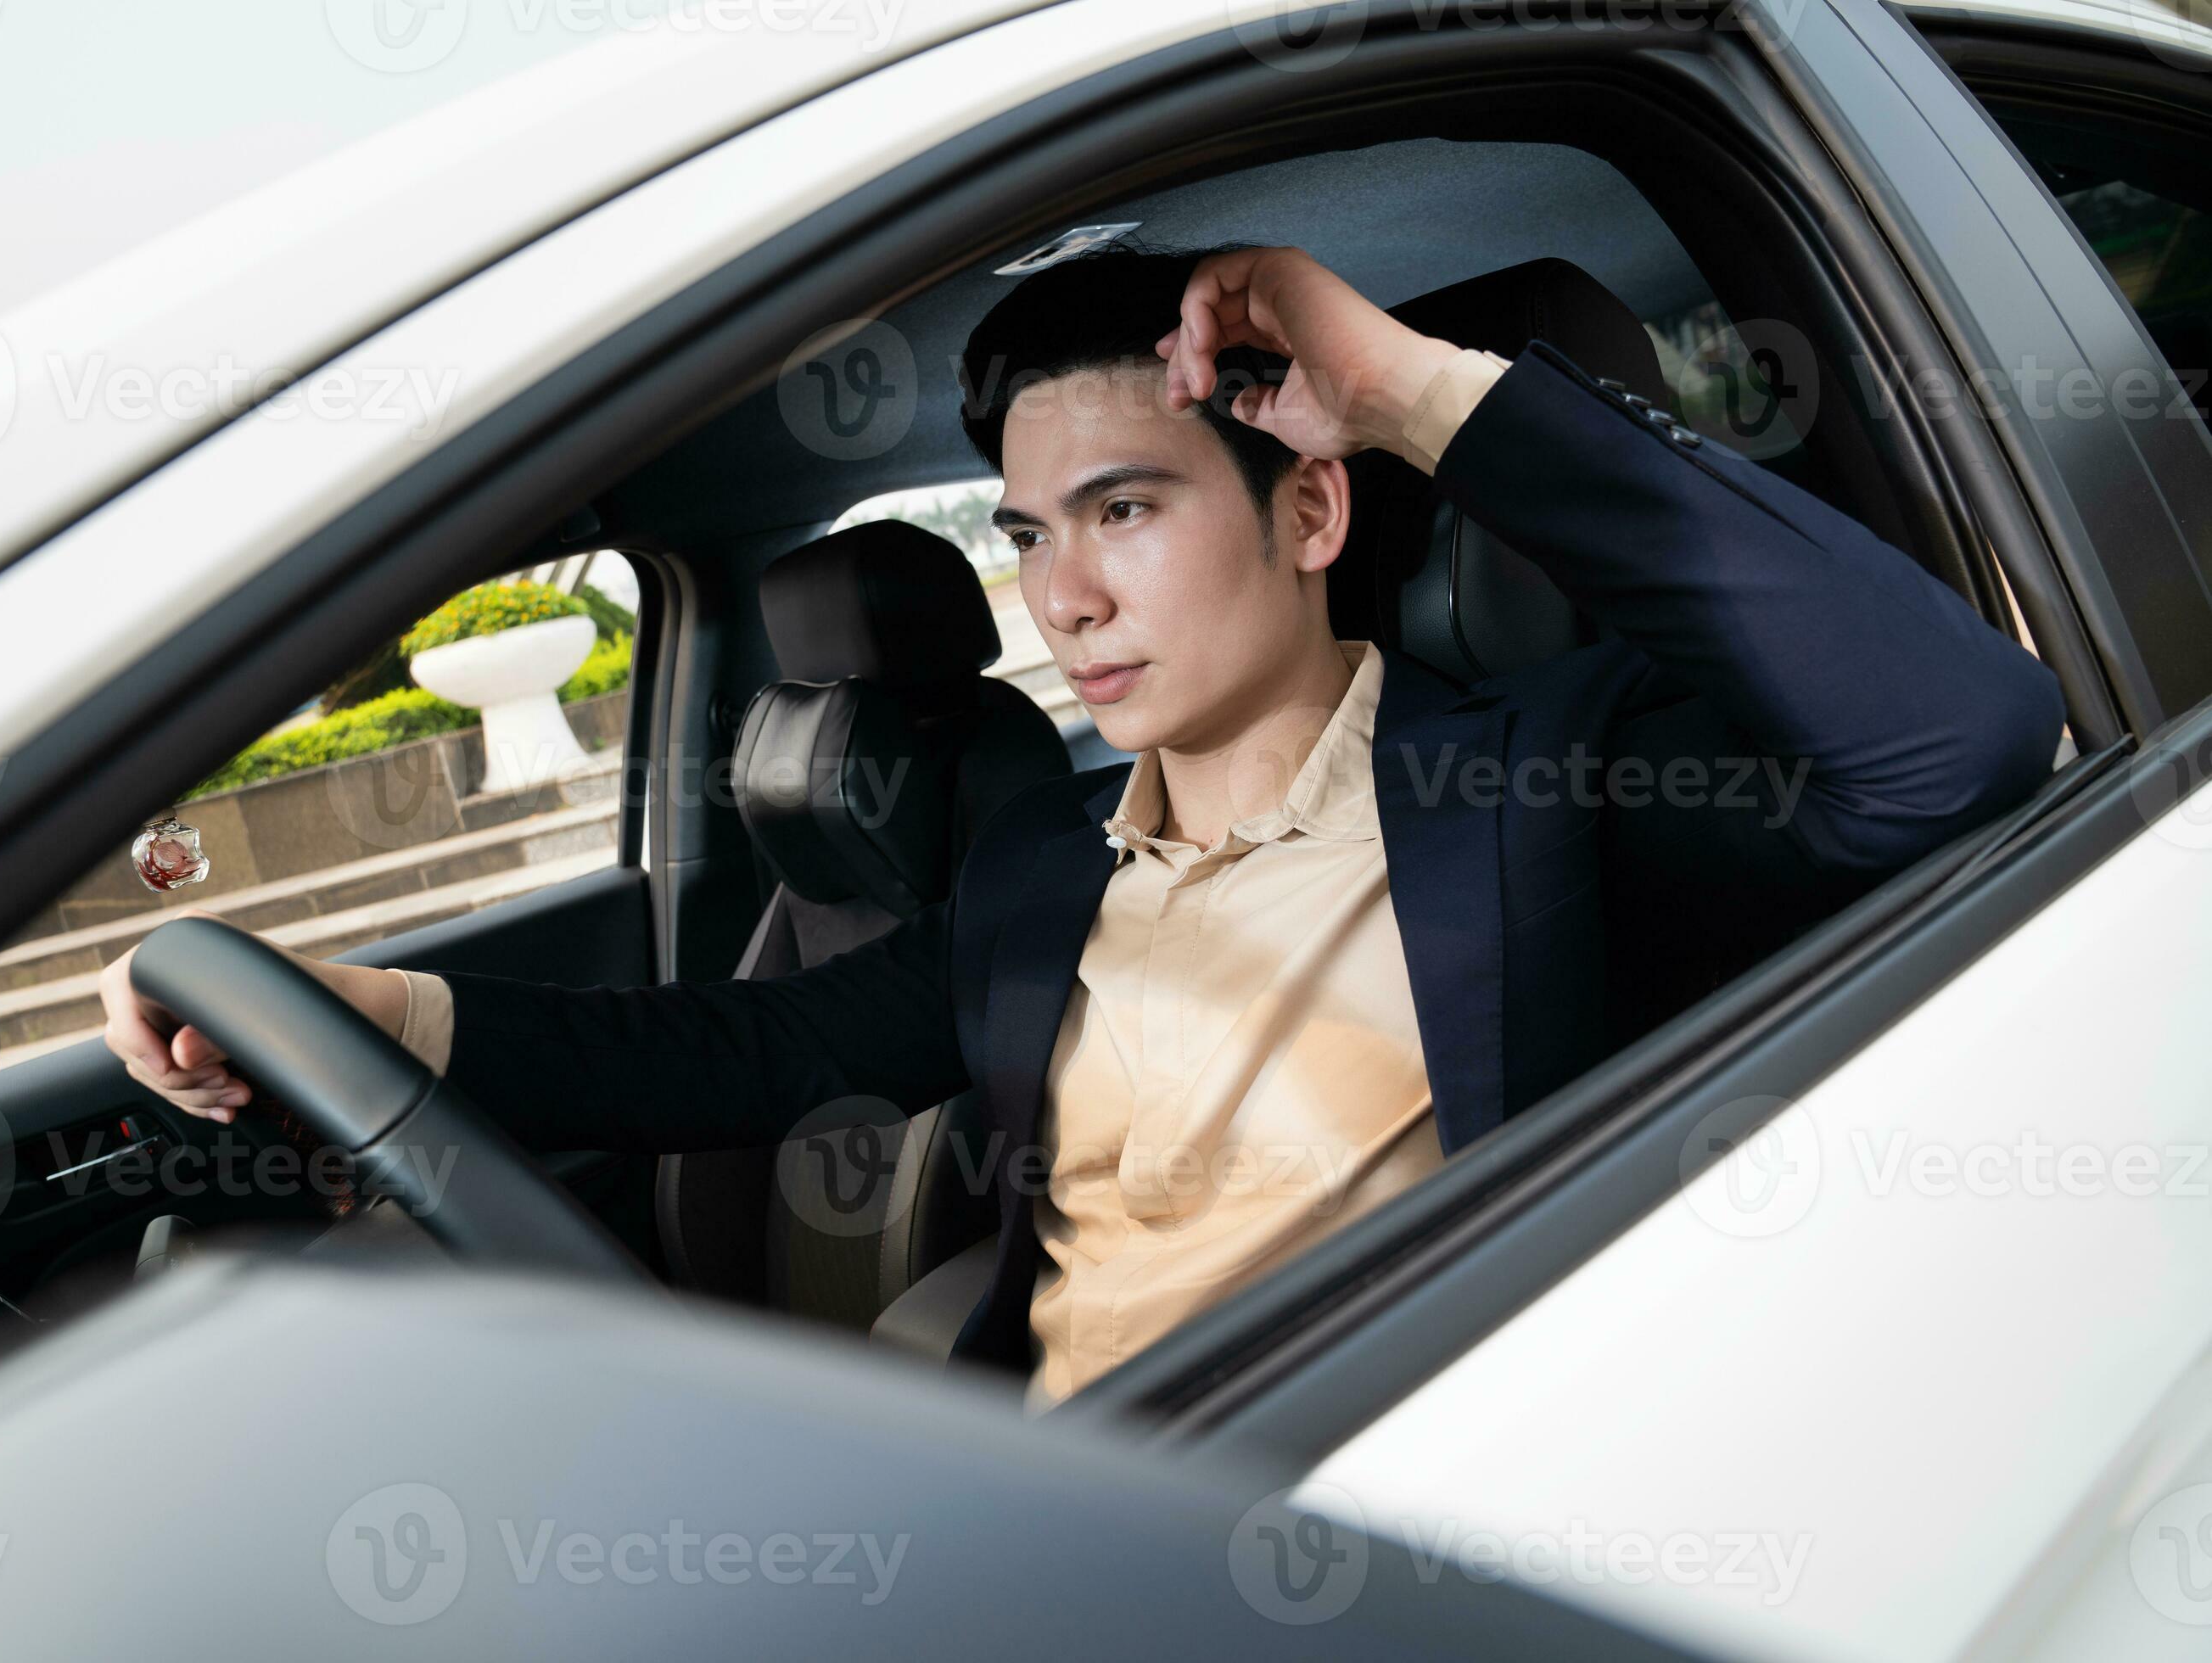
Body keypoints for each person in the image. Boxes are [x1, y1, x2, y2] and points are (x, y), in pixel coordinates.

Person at [102, 244, 2065, 1406]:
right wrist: (359, 1002)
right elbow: (764, 1047)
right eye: (1032, 535)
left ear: (1312, 511)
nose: (1063, 598)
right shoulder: (1046, 855)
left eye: (1127, 507)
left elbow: (1956, 733)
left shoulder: (1540, 777)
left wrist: (1403, 386)